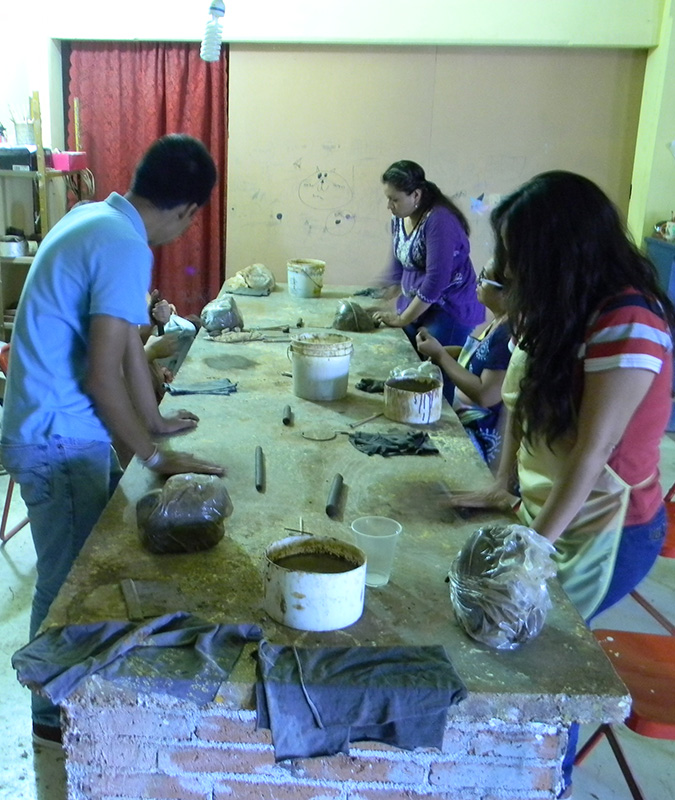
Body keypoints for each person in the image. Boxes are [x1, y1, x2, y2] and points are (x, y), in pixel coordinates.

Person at [447, 170, 674, 797]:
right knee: (505, 637)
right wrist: (503, 488)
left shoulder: (629, 321)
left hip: (609, 527)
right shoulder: (560, 303)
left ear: (564, 247)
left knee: (547, 659)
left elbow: (594, 451)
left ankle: (544, 782)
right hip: (550, 509)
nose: (509, 268)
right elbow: (516, 403)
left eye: (520, 255)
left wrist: (534, 551)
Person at [0, 133, 225, 747]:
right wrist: (153, 457)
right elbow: (101, 376)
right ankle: (49, 712)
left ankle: (63, 689)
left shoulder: (97, 219)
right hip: (56, 436)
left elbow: (125, 344)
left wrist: (153, 420)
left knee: (80, 565)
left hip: (52, 426)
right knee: (68, 576)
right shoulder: (124, 245)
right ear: (190, 211)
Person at [373, 161, 485, 393]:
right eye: (388, 198)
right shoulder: (400, 215)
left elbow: (436, 281)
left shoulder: (439, 220)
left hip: (449, 308)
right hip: (419, 302)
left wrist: (402, 318)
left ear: (416, 194)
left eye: (394, 199)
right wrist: (377, 298)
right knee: (406, 367)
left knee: (433, 381)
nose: (389, 205)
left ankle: (440, 427)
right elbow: (397, 264)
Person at [415, 259, 511, 469]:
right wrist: (446, 352)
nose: (477, 281)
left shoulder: (507, 334)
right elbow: (479, 360)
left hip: (482, 436)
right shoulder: (498, 323)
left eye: (484, 278)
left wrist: (441, 356)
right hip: (466, 420)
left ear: (506, 293)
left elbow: (486, 394)